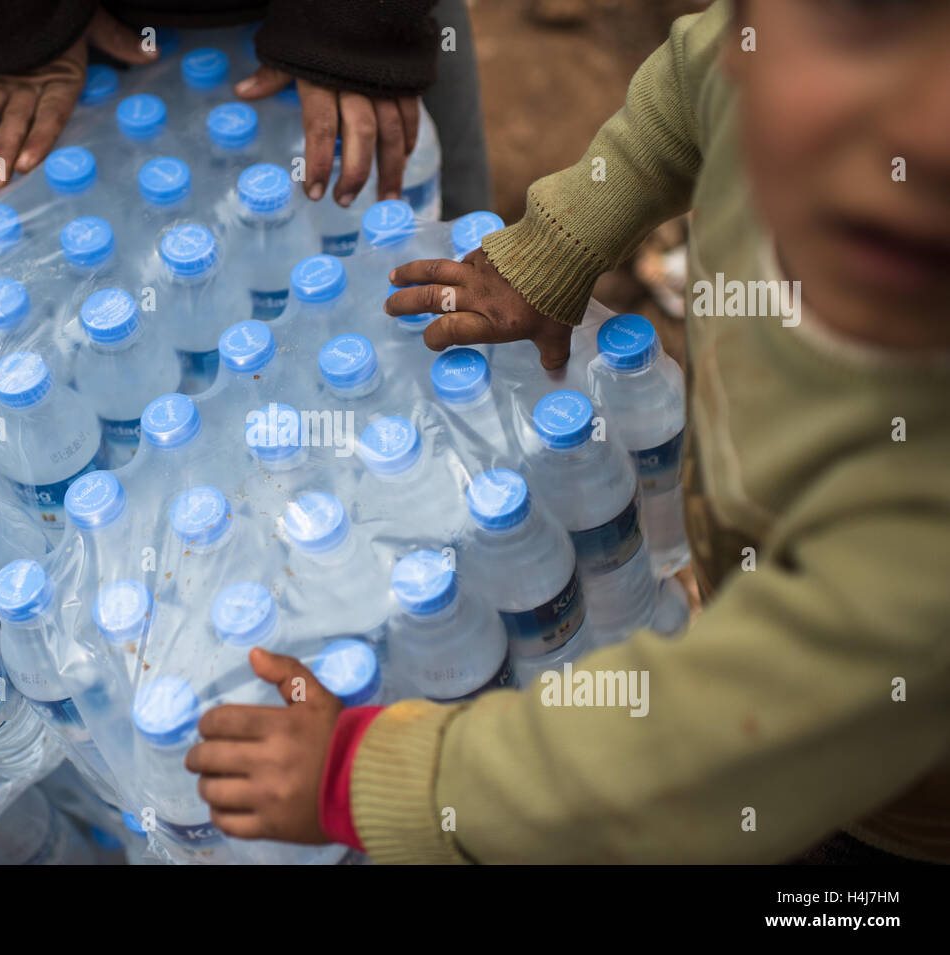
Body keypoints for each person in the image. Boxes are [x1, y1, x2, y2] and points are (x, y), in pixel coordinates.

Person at [187, 0, 950, 863]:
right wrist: (561, 240)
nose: (928, 136)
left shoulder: (920, 545)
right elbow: (690, 85)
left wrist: (366, 777)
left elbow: (686, 754)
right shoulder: (769, 87)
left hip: (879, 800)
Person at [0, 0, 494, 215]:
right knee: (112, 216)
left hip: (363, 25)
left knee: (440, 224)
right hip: (101, 22)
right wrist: (15, 19)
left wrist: (359, 24)